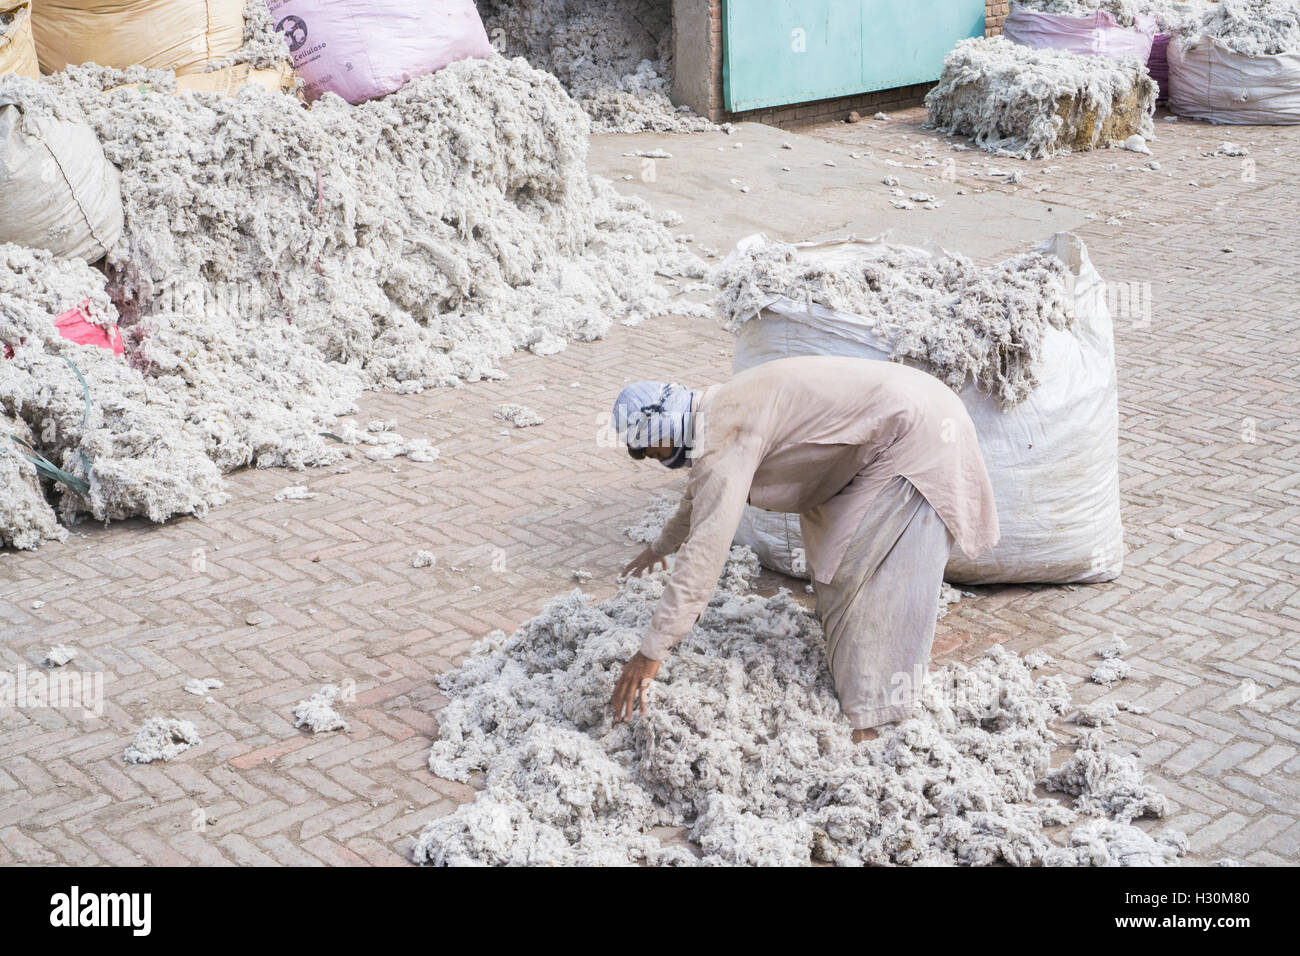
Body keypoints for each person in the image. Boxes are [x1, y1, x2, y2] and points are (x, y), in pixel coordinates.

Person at [608, 355, 999, 742]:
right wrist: (659, 548)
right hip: (906, 417)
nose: (655, 460)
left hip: (915, 436)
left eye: (647, 449)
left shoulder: (724, 435)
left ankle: (874, 717)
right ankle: (859, 682)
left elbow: (706, 549)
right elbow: (697, 499)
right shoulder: (717, 411)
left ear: (662, 427)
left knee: (866, 578)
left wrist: (650, 653)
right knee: (834, 563)